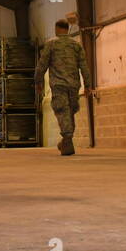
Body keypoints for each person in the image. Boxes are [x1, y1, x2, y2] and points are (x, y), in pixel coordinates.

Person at [35, 19, 93, 156]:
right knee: (70, 112)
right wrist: (88, 85)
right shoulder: (76, 45)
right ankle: (67, 140)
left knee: (62, 111)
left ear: (56, 29)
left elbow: (42, 65)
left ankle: (67, 140)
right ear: (67, 29)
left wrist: (38, 82)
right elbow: (84, 66)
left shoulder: (51, 44)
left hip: (59, 85)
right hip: (74, 85)